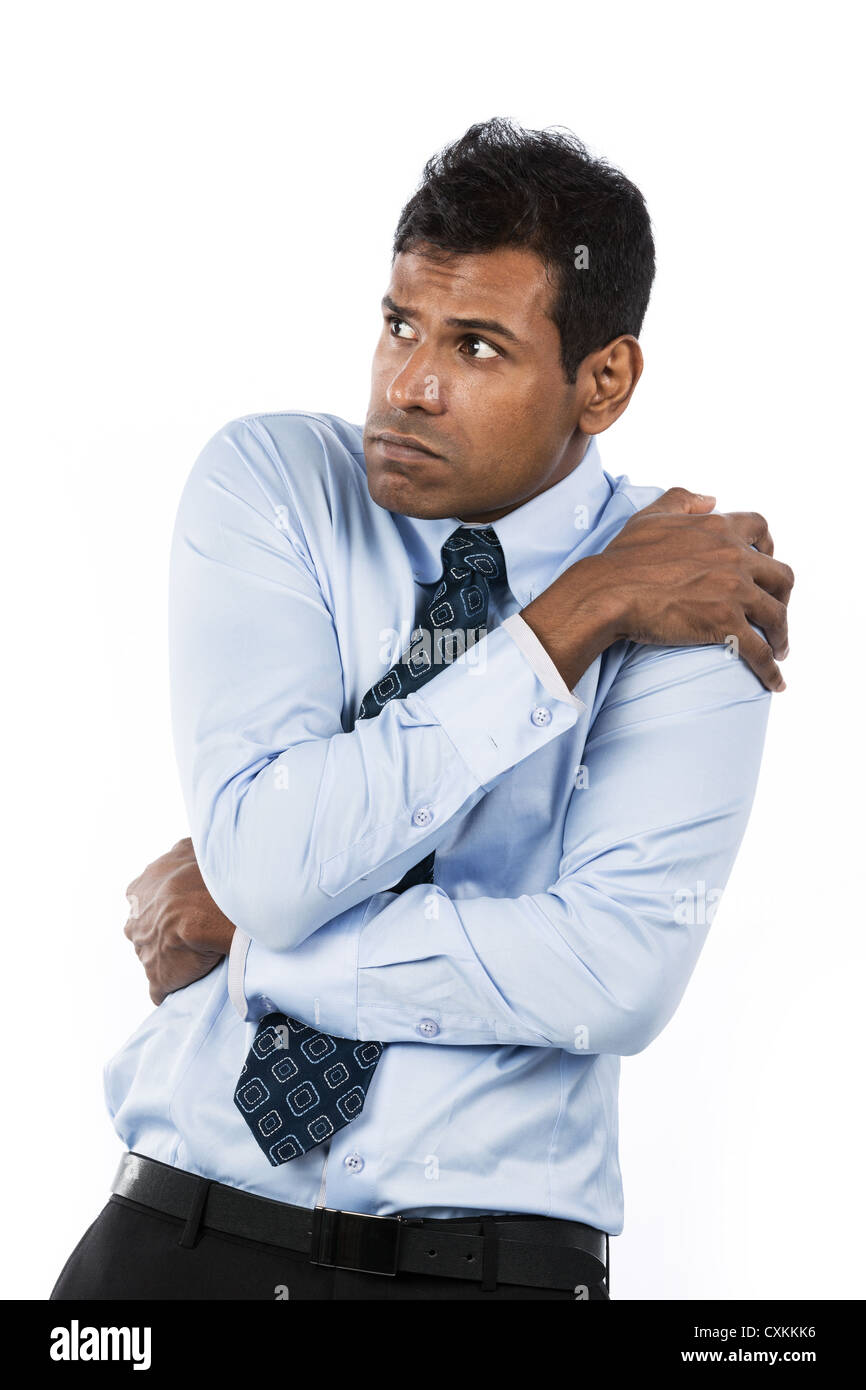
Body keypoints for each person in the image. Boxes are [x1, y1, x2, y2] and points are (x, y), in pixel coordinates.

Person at [51, 117, 793, 1302]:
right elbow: (277, 858)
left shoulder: (694, 583)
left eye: (479, 347)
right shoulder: (277, 487)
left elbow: (609, 976)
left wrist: (262, 933)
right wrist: (568, 620)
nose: (409, 386)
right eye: (398, 324)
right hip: (169, 1244)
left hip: (484, 1274)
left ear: (602, 380)